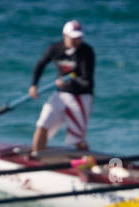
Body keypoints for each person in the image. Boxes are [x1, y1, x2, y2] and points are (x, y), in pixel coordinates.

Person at [29, 19, 95, 153]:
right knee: (43, 124)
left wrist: (70, 82)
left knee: (77, 139)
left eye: (79, 38)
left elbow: (87, 81)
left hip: (80, 96)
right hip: (60, 94)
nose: (77, 41)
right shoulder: (55, 49)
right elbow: (40, 65)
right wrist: (34, 85)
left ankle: (87, 164)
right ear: (65, 36)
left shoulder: (87, 52)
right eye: (73, 38)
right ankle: (36, 157)